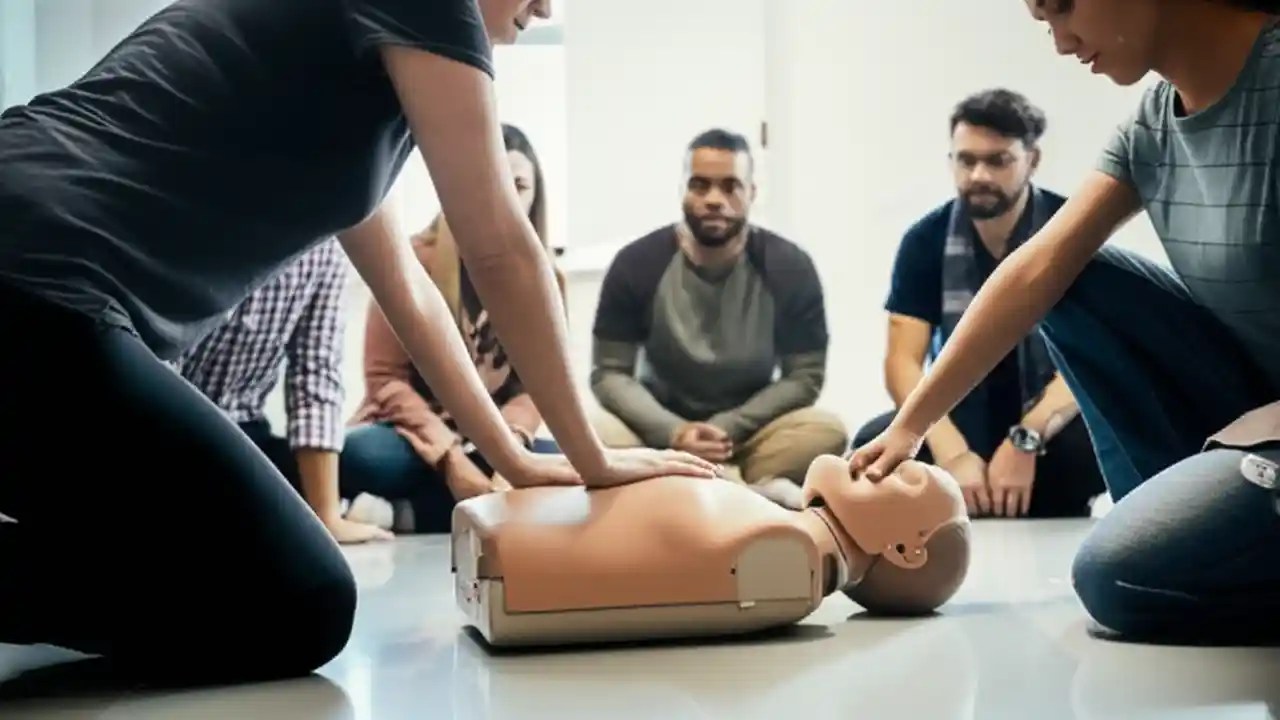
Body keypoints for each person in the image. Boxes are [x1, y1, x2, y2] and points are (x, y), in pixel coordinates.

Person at [0, 0, 716, 687]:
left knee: (264, 588)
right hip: (36, 280)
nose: (548, 9)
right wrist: (592, 457)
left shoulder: (362, 91)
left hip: (42, 297)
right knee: (298, 601)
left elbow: (411, 291)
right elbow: (498, 243)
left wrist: (513, 457)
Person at [850, 0, 1280, 644]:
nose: (1059, 42)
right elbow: (1034, 272)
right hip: (1241, 412)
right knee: (1069, 272)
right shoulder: (1152, 125)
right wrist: (910, 428)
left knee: (1117, 579)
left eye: (1062, 8)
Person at [855, 89, 1105, 519]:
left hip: (1045, 419)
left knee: (1099, 447)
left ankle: (997, 494)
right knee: (870, 446)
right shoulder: (925, 240)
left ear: (1033, 160)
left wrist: (1027, 439)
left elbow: (1091, 361)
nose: (978, 175)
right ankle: (983, 491)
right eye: (966, 160)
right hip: (957, 415)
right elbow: (903, 363)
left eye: (997, 161)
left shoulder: (1071, 229)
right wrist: (953, 456)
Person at [591, 128, 848, 509]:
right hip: (658, 433)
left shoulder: (789, 266)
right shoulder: (636, 264)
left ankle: (688, 485)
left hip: (746, 434)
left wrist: (728, 427)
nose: (714, 199)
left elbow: (805, 376)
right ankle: (746, 491)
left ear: (751, 194)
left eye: (730, 187)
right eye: (700, 185)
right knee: (594, 432)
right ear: (682, 190)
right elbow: (609, 373)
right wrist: (674, 432)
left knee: (827, 431)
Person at [343, 123, 564, 533]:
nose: (506, 200)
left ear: (535, 197)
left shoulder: (548, 280)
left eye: (519, 186)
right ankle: (468, 506)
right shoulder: (415, 260)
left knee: (567, 466)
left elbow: (537, 389)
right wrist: (449, 459)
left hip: (492, 437)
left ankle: (406, 515)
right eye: (494, 183)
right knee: (362, 458)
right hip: (412, 436)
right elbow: (385, 381)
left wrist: (511, 447)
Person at [175, 238, 392, 545]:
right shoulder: (200, 222)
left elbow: (316, 374)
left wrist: (326, 515)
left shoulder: (326, 250)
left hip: (246, 431)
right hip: (166, 420)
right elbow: (161, 355)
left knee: (339, 471)